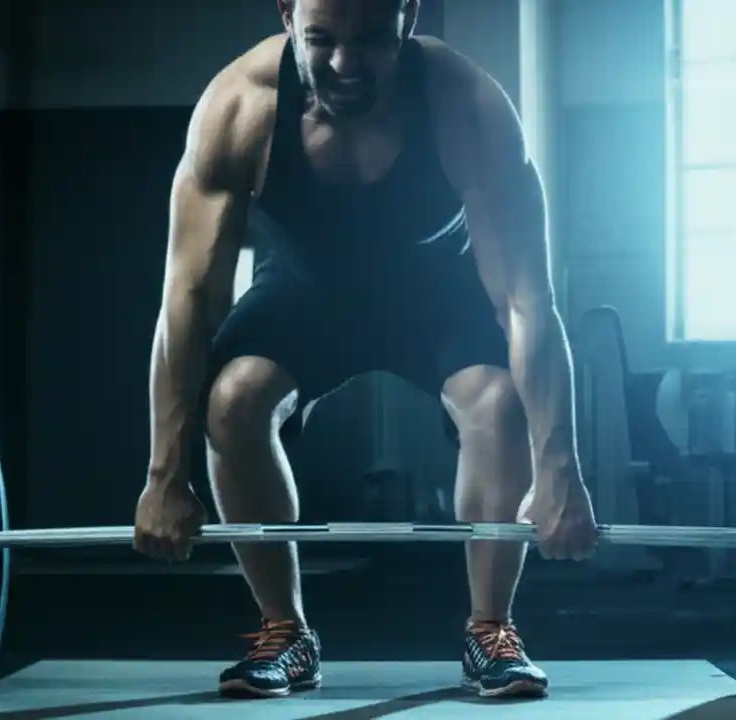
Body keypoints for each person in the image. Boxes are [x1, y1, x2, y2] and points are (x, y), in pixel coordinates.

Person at [134, 0, 599, 700]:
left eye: (371, 39)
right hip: (304, 288)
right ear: (287, 14)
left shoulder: (466, 104)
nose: (346, 64)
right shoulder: (240, 106)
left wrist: (559, 468)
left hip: (433, 290)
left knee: (500, 405)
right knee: (231, 401)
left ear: (408, 15)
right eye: (322, 38)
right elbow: (189, 302)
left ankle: (490, 631)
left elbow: (526, 303)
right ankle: (284, 633)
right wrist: (165, 472)